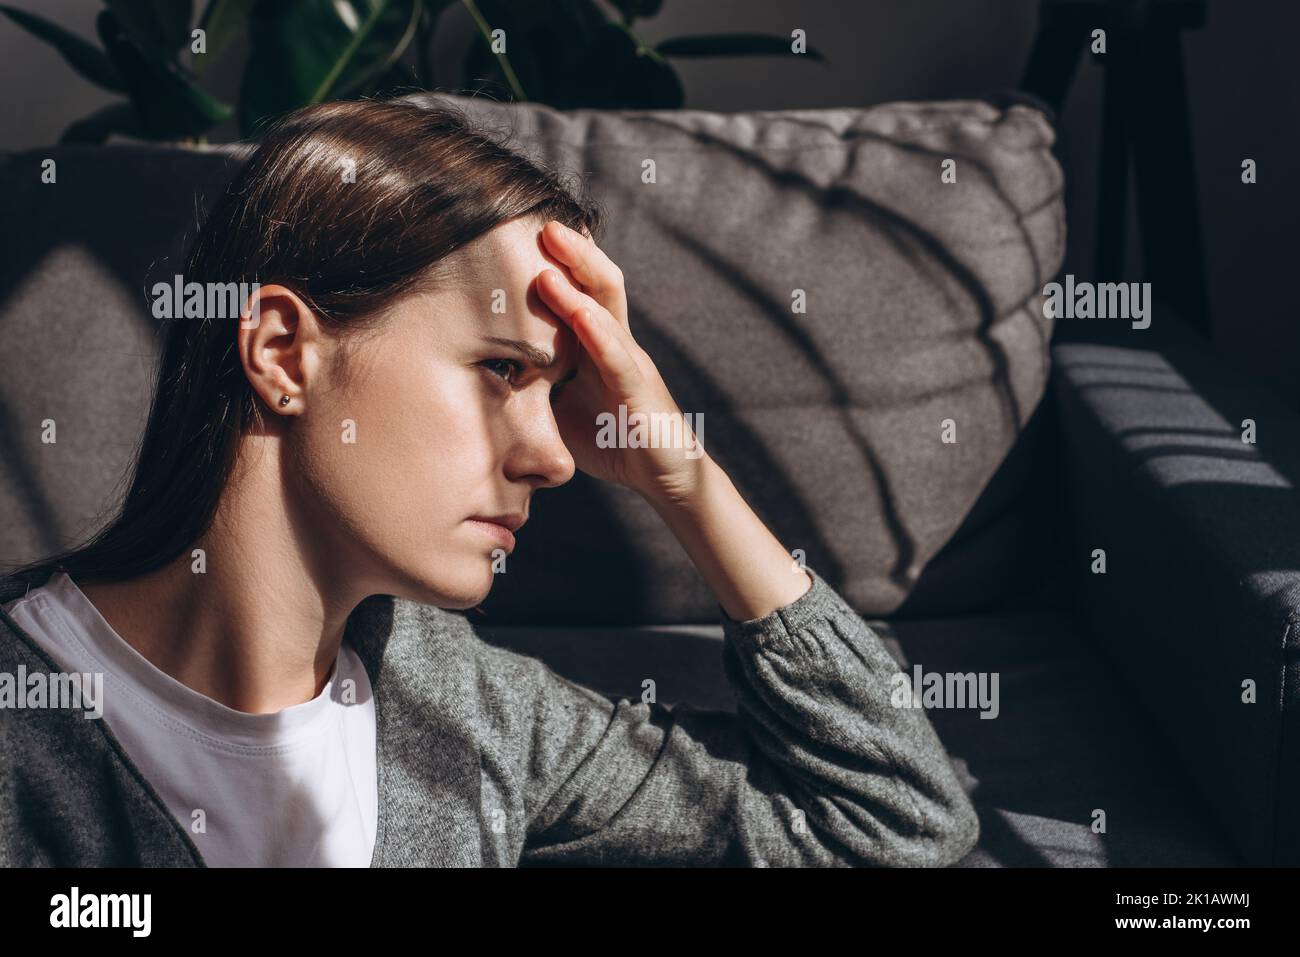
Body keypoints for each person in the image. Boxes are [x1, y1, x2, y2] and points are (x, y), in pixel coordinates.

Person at [0, 97, 979, 867]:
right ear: (285, 353)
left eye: (558, 392)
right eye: (502, 369)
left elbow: (891, 826)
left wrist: (681, 474)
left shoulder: (462, 705)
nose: (554, 458)